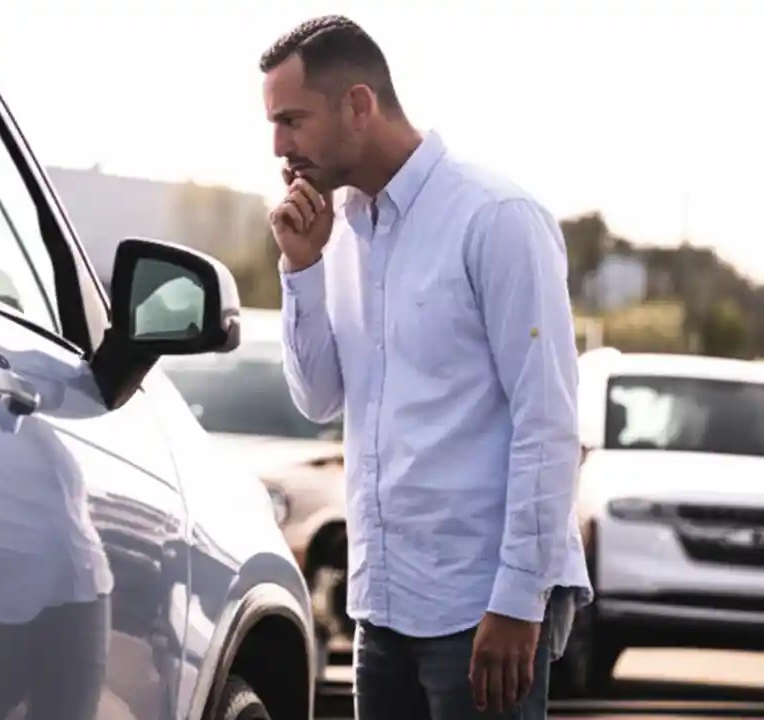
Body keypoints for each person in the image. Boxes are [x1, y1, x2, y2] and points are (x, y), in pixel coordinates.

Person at [260, 15, 592, 719]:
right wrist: (301, 266)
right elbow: (319, 399)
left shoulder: (495, 217)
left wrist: (516, 600)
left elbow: (549, 421)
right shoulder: (339, 233)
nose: (279, 147)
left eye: (292, 120)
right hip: (381, 606)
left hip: (482, 607)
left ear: (358, 103)